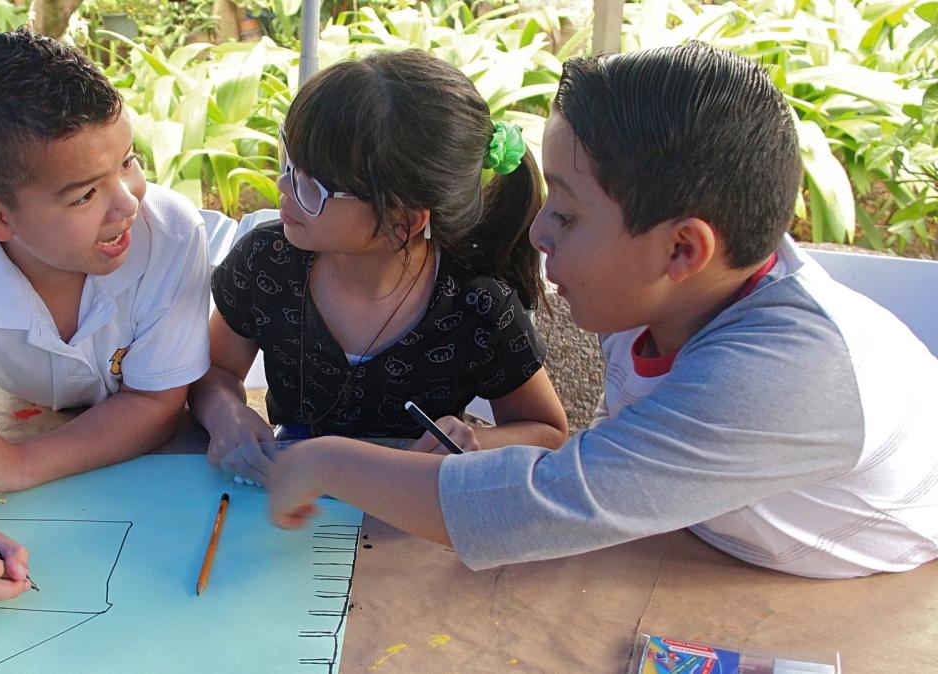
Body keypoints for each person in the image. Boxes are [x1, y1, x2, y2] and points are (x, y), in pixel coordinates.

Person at [249, 41, 938, 579]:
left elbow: (534, 503)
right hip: (711, 535)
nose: (539, 230)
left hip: (865, 582)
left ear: (682, 249)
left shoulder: (785, 381)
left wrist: (326, 463)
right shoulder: (665, 295)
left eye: (570, 214)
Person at [0, 28, 210, 602]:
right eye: (85, 195)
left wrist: (17, 463)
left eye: (128, 162)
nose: (128, 201)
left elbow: (160, 404)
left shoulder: (170, 232)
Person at [189, 49, 569, 476]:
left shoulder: (477, 306)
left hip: (409, 505)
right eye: (288, 161)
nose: (282, 186)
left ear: (401, 222)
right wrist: (226, 414)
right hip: (289, 495)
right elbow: (214, 372)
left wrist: (476, 442)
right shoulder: (268, 263)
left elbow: (547, 431)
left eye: (312, 186)